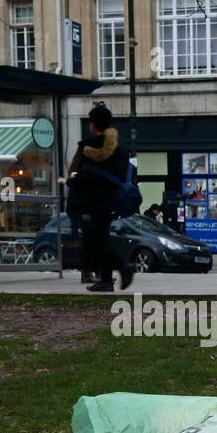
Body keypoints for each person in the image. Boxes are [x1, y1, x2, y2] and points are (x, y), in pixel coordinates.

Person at [68, 104, 134, 292]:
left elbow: (82, 175)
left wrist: (71, 182)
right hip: (111, 200)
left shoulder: (88, 146)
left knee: (96, 239)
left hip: (91, 201)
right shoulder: (119, 149)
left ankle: (123, 268)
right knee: (101, 237)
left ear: (93, 125)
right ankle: (106, 279)